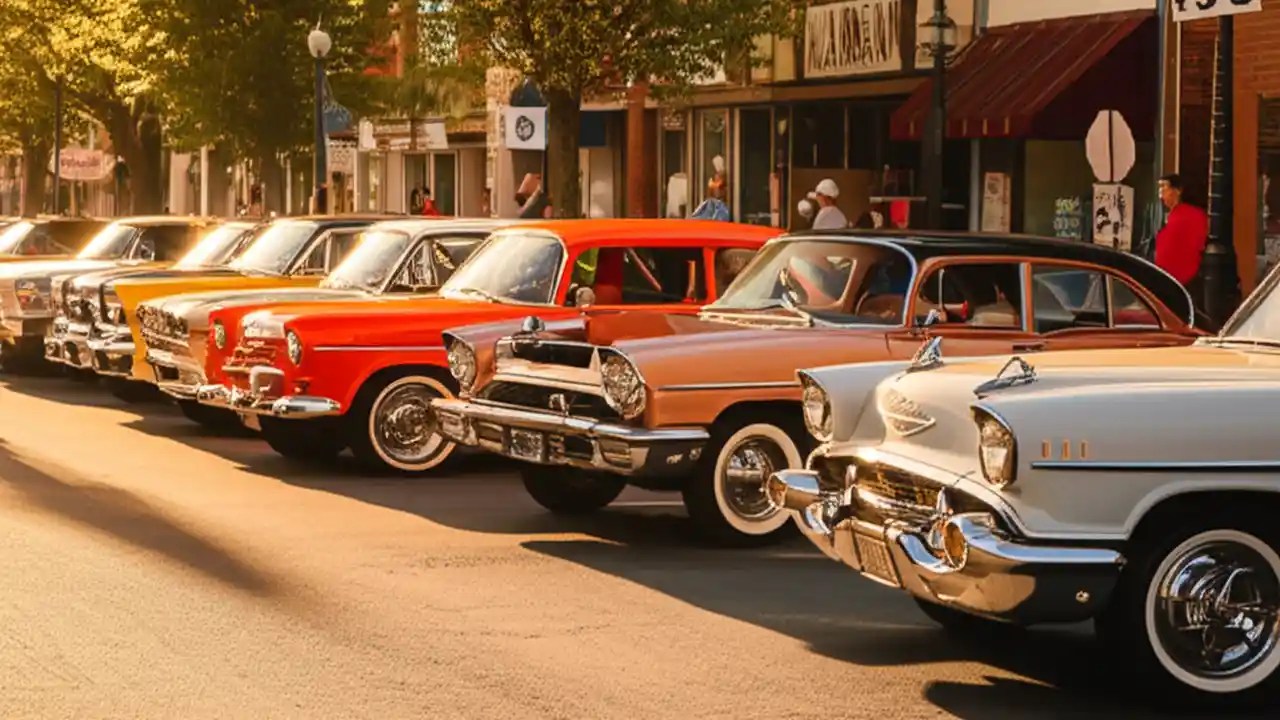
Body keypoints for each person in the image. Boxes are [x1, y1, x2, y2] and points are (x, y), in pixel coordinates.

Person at [1154, 173, 1208, 293]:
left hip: (1185, 280)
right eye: (1159, 187)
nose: (1160, 192)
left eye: (1164, 186)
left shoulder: (1193, 215)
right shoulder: (1171, 216)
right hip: (1167, 279)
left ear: (1178, 190)